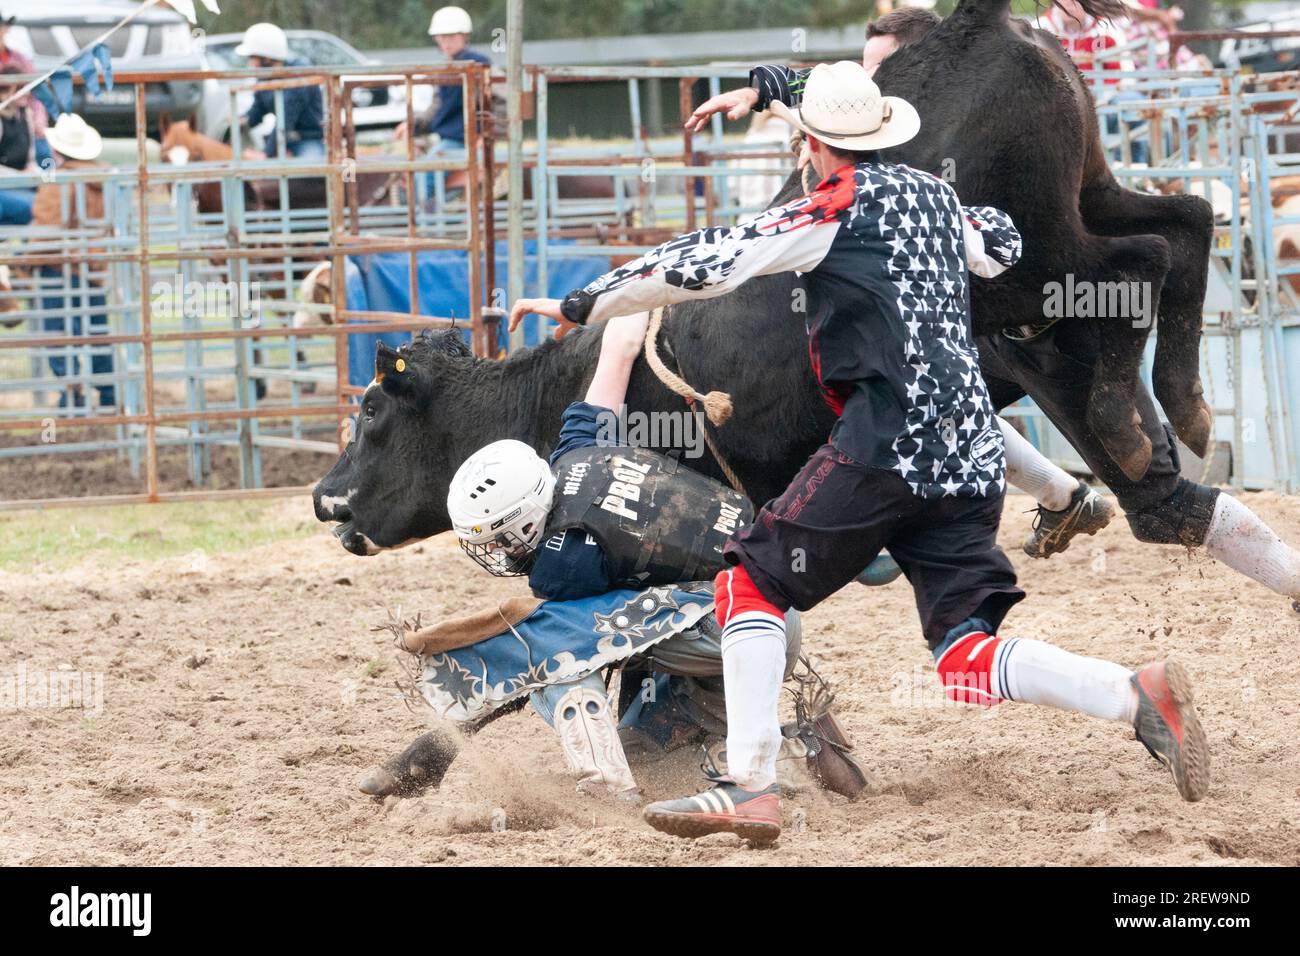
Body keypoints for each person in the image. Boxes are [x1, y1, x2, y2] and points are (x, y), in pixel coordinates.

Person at [512, 62, 1212, 843]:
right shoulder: (943, 202)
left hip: (886, 442)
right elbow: (1003, 243)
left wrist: (582, 303)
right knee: (963, 653)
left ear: (813, 143)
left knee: (747, 585)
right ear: (882, 136)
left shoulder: (827, 210)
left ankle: (749, 783)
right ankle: (1135, 695)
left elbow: (703, 261)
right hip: (971, 451)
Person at [688, 15, 1300, 601]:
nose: (878, 91)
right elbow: (834, 99)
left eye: (887, 76)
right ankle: (1063, 495)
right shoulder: (906, 140)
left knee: (1163, 507)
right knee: (927, 399)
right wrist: (765, 87)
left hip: (1060, 342)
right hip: (988, 334)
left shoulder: (971, 138)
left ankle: (1293, 577)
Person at [359, 312, 868, 803]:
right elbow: (622, 344)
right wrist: (637, 291)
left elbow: (564, 648)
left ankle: (650, 779)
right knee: (648, 723)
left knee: (551, 654)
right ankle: (782, 739)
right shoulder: (577, 445)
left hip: (736, 629)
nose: (497, 554)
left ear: (523, 526)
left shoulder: (564, 565)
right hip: (766, 607)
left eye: (497, 541)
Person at [33, 113, 115, 409]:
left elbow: (45, 227)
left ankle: (72, 392)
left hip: (58, 266)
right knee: (96, 330)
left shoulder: (57, 181)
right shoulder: (107, 180)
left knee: (58, 331)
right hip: (93, 266)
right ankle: (108, 393)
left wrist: (27, 259)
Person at [394, 6, 492, 198]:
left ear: (464, 35)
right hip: (451, 138)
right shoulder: (446, 68)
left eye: (452, 36)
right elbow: (438, 108)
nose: (446, 42)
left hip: (464, 140)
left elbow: (498, 102)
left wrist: (486, 135)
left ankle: (428, 222)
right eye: (442, 37)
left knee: (424, 178)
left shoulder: (480, 65)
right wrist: (412, 124)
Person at [235, 22, 324, 161]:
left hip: (307, 139)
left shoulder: (299, 73)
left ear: (266, 58)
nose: (249, 64)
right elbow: (259, 108)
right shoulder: (265, 77)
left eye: (252, 57)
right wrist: (241, 122)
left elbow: (286, 118)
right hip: (284, 139)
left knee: (310, 173)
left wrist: (266, 154)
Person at [0, 65, 39, 225]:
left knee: (55, 197)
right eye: (20, 88)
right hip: (5, 186)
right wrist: (21, 176)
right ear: (4, 93)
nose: (27, 92)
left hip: (22, 183)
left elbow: (31, 160)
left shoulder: (27, 115)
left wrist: (40, 175)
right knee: (37, 205)